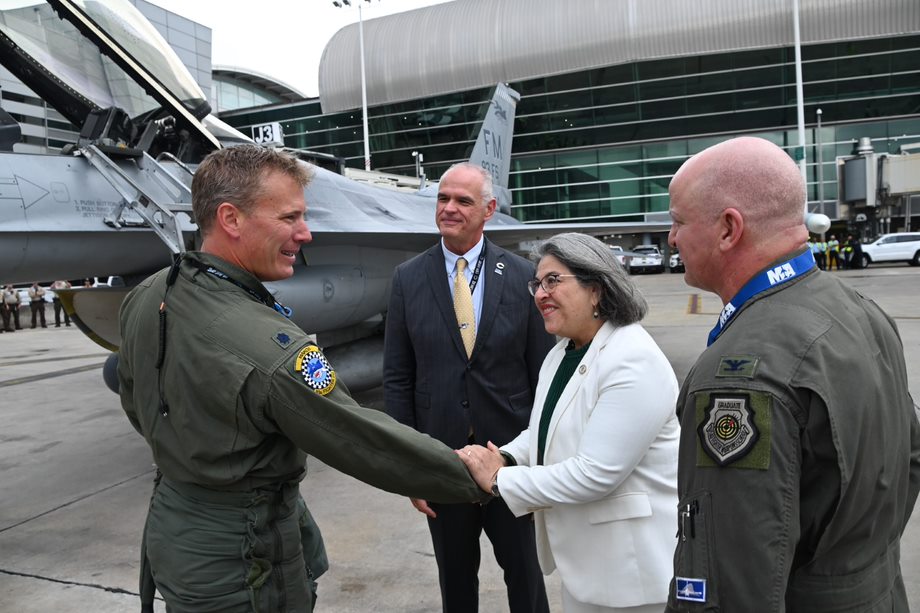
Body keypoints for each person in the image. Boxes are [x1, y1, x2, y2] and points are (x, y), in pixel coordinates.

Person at [117, 145, 487, 613]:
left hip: (179, 542)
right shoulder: (268, 346)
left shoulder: (148, 295)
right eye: (289, 217)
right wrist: (472, 475)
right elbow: (356, 435)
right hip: (245, 565)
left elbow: (137, 400)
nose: (305, 233)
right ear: (231, 218)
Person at [665, 136, 920, 612]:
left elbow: (731, 584)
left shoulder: (738, 375)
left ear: (728, 229)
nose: (671, 238)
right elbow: (908, 457)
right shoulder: (861, 311)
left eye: (678, 221)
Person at [459, 232, 680, 613]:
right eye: (538, 284)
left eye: (553, 281)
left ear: (596, 289)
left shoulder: (632, 358)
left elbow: (596, 472)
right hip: (587, 567)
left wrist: (499, 479)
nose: (540, 294)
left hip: (631, 577)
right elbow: (545, 433)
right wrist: (504, 456)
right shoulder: (563, 351)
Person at [383, 162, 554, 613]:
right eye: (443, 199)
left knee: (526, 576)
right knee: (455, 583)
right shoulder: (408, 279)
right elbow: (398, 379)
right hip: (442, 462)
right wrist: (409, 466)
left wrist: (536, 457)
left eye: (462, 201)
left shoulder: (523, 277)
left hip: (510, 459)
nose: (450, 209)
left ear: (489, 210)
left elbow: (542, 374)